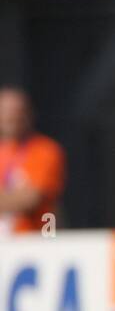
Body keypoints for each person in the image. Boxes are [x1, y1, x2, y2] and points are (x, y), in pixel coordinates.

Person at [0, 86, 65, 235]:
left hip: (35, 238)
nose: (11, 117)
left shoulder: (45, 150)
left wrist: (15, 198)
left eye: (17, 111)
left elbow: (32, 199)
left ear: (29, 114)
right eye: (6, 112)